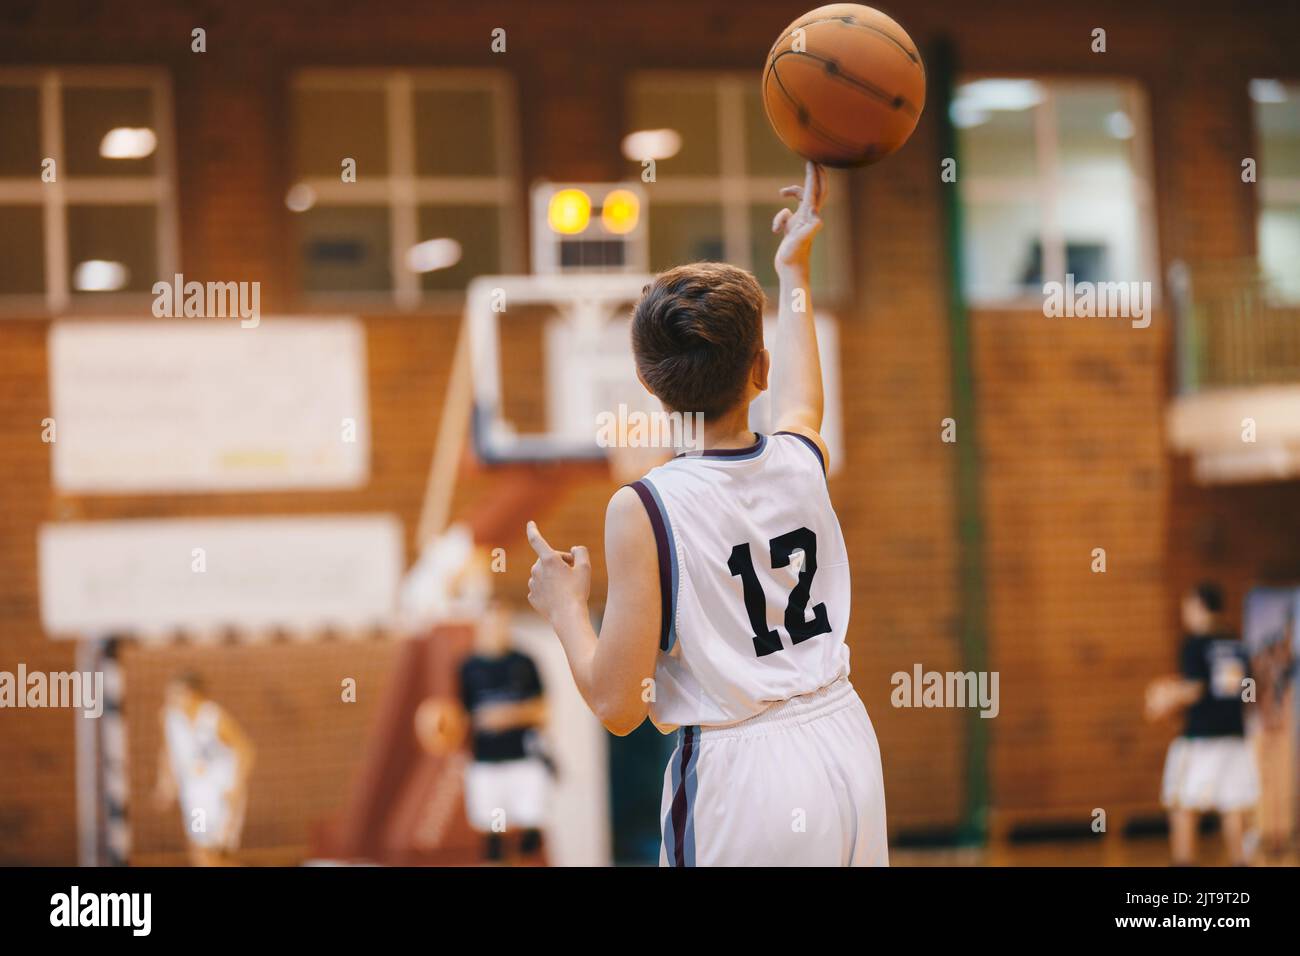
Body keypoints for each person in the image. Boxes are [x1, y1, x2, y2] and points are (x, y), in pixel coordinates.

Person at [525, 162, 888, 866]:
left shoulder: (646, 505)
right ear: (758, 370)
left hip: (741, 767)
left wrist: (565, 607)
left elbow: (619, 705)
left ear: (644, 381)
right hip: (845, 739)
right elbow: (803, 402)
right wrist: (795, 272)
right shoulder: (802, 457)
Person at [1147, 582, 1260, 865]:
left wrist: (1165, 697)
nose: (1185, 613)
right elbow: (1248, 692)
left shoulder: (1195, 643)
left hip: (1200, 740)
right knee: (1233, 806)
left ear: (1198, 605)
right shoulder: (1237, 644)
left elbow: (1195, 688)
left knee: (1183, 806)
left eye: (1187, 606)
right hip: (1234, 736)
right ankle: (1240, 863)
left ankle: (1183, 864)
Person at [456, 600, 551, 863]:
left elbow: (543, 711)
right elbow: (460, 716)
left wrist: (505, 716)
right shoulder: (467, 667)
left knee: (529, 835)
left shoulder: (524, 662)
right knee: (493, 839)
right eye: (490, 623)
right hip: (486, 764)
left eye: (501, 623)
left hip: (523, 761)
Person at [153, 672, 255, 866]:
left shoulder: (213, 718)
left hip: (221, 793)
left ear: (192, 694)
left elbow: (245, 749)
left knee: (219, 853)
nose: (170, 698)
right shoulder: (169, 718)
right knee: (198, 849)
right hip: (195, 796)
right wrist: (165, 782)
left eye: (176, 693)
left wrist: (237, 785)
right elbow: (167, 750)